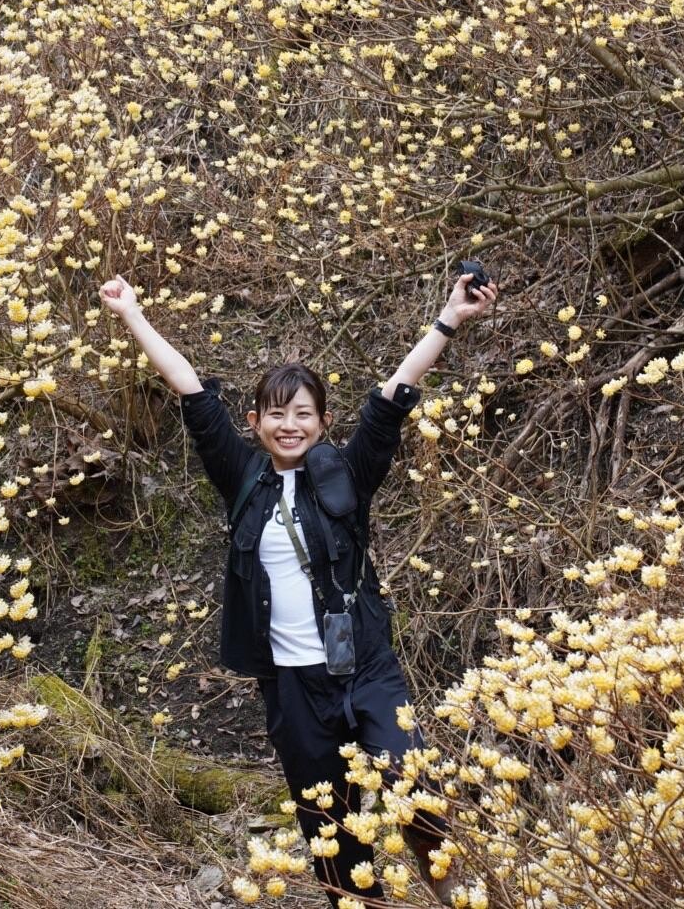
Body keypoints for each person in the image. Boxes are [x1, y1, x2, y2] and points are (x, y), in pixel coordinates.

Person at [99, 270, 499, 908]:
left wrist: (450, 318)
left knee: (414, 784)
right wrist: (134, 316)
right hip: (291, 683)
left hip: (366, 668)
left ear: (322, 421)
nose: (291, 426)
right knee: (331, 833)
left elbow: (392, 398)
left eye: (303, 415)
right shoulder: (241, 477)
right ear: (256, 422)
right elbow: (193, 392)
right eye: (277, 415)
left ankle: (458, 893)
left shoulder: (348, 471)